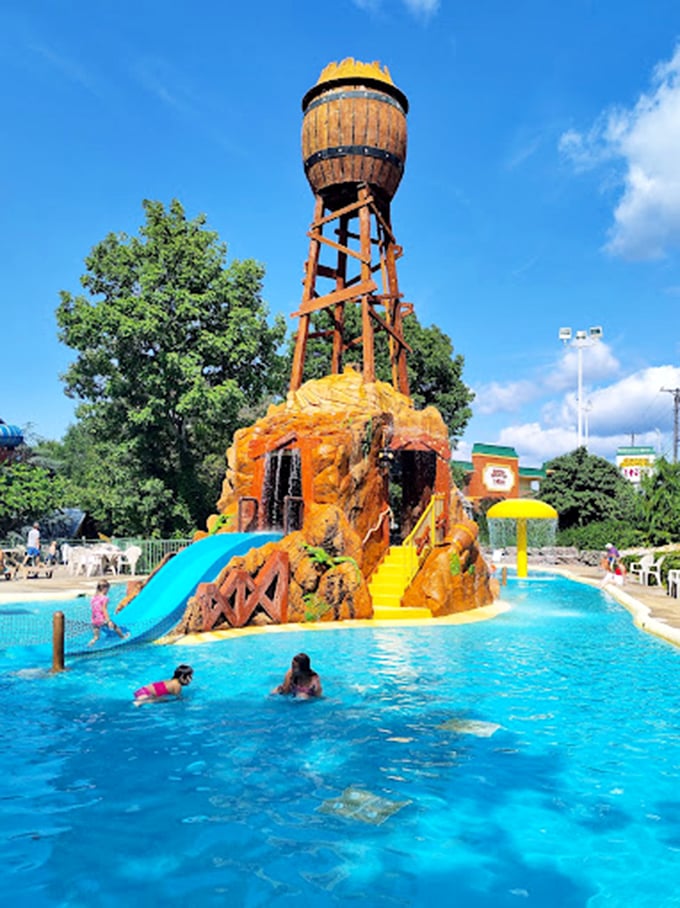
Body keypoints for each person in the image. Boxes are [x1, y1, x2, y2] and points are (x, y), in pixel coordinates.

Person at [88, 580, 127, 645]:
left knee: (96, 637)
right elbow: (104, 610)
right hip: (101, 619)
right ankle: (123, 637)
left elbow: (94, 609)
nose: (108, 591)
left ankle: (89, 644)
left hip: (94, 620)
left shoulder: (94, 598)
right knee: (115, 627)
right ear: (104, 589)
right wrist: (108, 621)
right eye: (108, 589)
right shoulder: (104, 598)